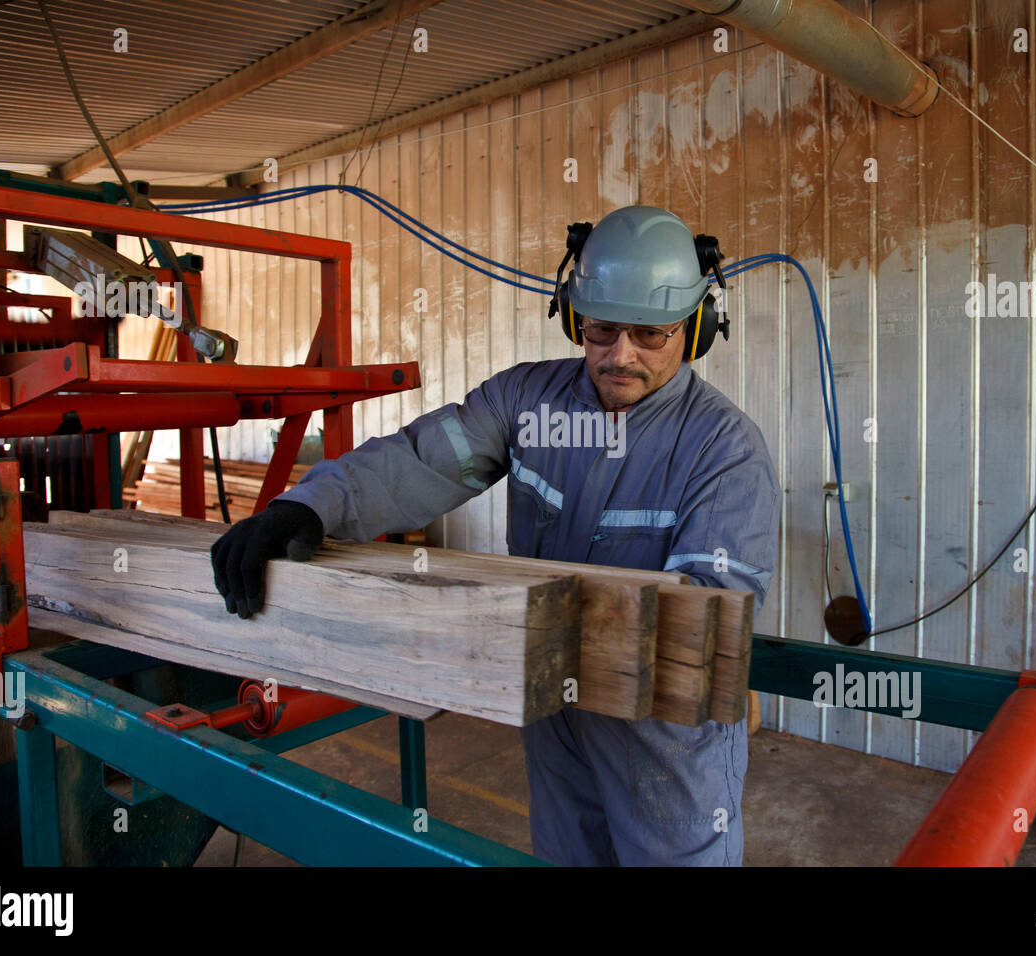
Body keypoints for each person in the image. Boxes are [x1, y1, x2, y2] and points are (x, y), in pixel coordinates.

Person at [211, 205, 780, 866]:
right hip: (555, 720)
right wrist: (306, 507)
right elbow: (418, 461)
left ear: (696, 327)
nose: (620, 356)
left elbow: (697, 629)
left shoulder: (725, 452)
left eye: (650, 334)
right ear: (574, 317)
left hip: (664, 749)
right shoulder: (523, 404)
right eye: (601, 329)